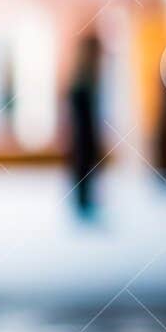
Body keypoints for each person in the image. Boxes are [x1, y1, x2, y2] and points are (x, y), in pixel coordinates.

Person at [66, 32, 103, 217]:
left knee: (86, 169)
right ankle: (82, 202)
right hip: (82, 138)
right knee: (83, 168)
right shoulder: (81, 81)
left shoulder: (86, 79)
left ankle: (85, 201)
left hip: (84, 138)